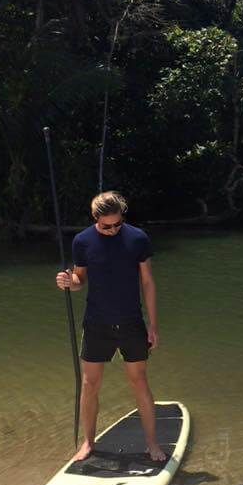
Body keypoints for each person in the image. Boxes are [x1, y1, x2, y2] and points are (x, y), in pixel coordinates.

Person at [55, 191, 166, 463]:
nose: (113, 229)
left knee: (139, 381)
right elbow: (80, 280)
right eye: (107, 226)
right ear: (95, 219)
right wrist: (69, 282)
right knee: (90, 383)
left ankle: (152, 444)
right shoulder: (82, 242)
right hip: (97, 323)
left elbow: (148, 282)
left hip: (131, 321)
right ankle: (88, 443)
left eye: (117, 224)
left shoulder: (137, 238)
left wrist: (153, 325)